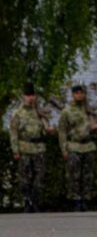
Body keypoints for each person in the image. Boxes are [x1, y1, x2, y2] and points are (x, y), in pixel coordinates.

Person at [9, 83, 52, 213]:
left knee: (39, 177)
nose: (31, 98)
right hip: (25, 147)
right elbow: (13, 133)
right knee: (25, 178)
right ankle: (27, 201)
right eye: (28, 95)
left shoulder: (39, 112)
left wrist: (48, 131)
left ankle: (35, 201)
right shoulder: (18, 113)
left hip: (38, 148)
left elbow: (43, 129)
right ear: (23, 97)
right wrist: (15, 150)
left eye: (32, 95)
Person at [58, 85, 97, 211]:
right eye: (76, 93)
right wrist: (64, 149)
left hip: (88, 145)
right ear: (73, 95)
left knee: (88, 175)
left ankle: (86, 199)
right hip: (74, 146)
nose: (79, 95)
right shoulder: (67, 111)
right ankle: (75, 199)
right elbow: (62, 132)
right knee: (74, 175)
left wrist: (95, 129)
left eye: (81, 93)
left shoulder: (90, 110)